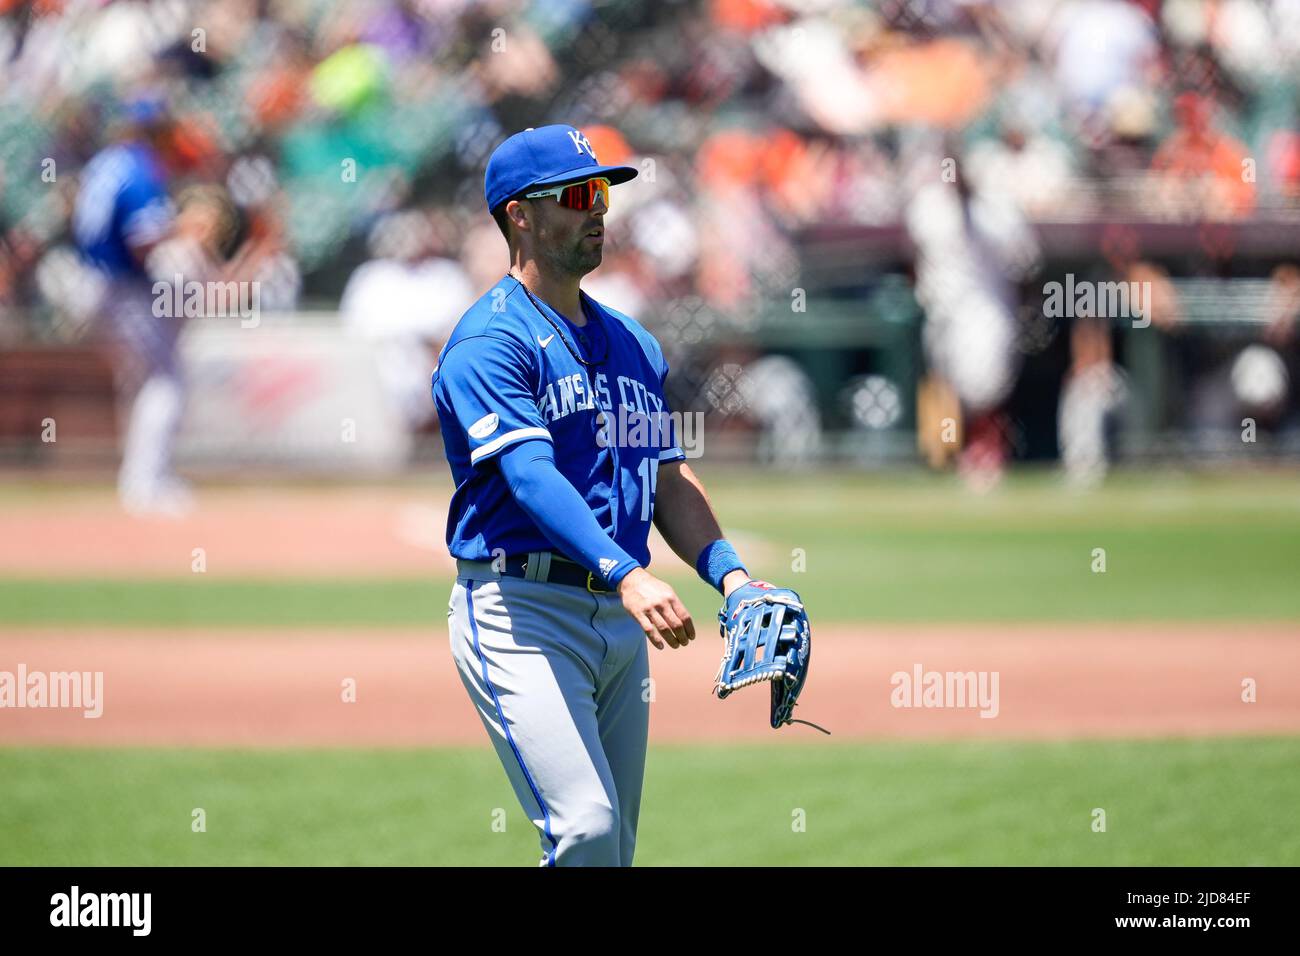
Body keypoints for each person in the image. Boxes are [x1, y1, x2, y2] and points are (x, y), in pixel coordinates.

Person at [433, 125, 773, 866]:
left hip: (620, 627)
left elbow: (666, 479)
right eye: (579, 195)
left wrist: (734, 579)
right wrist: (628, 573)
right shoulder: (490, 342)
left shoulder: (632, 343)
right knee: (583, 826)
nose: (599, 211)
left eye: (604, 194)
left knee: (611, 852)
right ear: (519, 214)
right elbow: (529, 477)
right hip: (523, 613)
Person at [73, 94, 185, 516]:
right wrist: (181, 230)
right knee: (165, 379)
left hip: (90, 278)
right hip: (121, 287)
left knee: (139, 382)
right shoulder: (140, 168)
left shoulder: (104, 162)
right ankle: (146, 483)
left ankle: (140, 480)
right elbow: (143, 244)